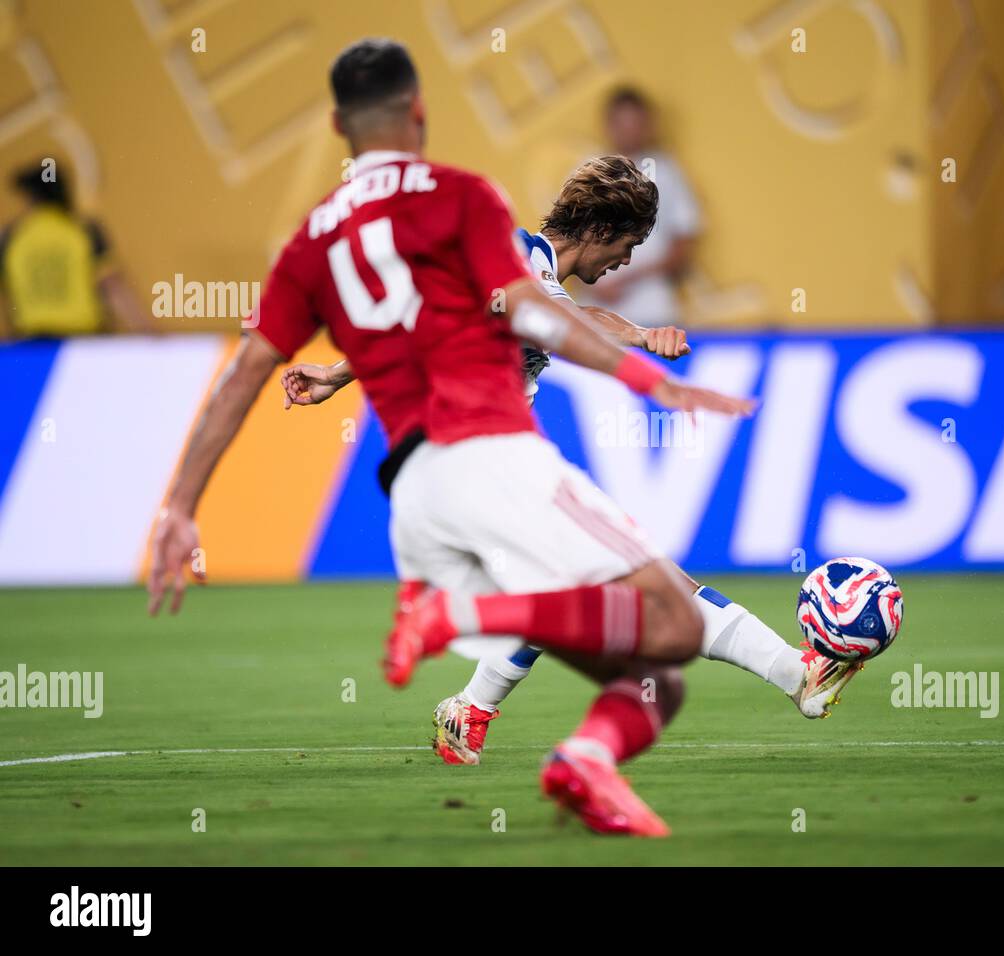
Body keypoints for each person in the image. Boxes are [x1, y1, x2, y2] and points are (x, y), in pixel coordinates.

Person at [145, 37, 754, 837]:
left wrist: (181, 506)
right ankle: (456, 619)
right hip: (494, 452)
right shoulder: (466, 200)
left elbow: (248, 372)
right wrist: (649, 375)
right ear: (420, 113)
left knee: (640, 660)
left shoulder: (312, 241)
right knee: (670, 625)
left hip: (414, 485)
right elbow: (538, 314)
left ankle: (557, 746)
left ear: (336, 123)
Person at [281, 157, 864, 769]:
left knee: (583, 585)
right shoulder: (511, 253)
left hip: (482, 469)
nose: (627, 261)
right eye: (629, 244)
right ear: (601, 230)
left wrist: (337, 376)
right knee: (645, 584)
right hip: (474, 465)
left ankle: (469, 711)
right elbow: (549, 316)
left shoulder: (529, 270)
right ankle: (797, 674)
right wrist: (637, 336)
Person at [584, 86, 700, 327]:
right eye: (622, 123)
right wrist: (589, 279)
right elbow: (562, 242)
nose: (629, 131)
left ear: (648, 124)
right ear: (608, 124)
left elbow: (684, 243)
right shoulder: (585, 172)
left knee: (652, 366)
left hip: (653, 313)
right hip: (594, 315)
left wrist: (631, 279)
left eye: (635, 122)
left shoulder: (667, 172)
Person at [0, 162, 151, 338]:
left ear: (31, 198)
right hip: (82, 341)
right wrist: (146, 331)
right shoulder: (82, 230)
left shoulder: (11, 237)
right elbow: (113, 286)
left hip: (33, 345)